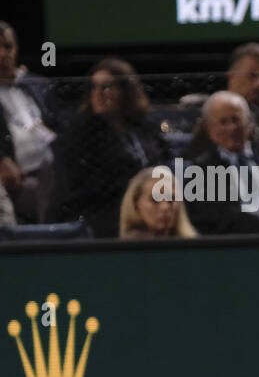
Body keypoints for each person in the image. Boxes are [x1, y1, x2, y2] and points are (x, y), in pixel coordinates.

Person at [53, 59, 168, 238]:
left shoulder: (143, 126)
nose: (99, 94)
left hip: (155, 202)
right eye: (94, 87)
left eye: (107, 87)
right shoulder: (80, 134)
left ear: (125, 92)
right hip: (106, 212)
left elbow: (166, 159)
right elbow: (86, 190)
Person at [189, 92, 259, 234]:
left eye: (236, 119)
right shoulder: (202, 168)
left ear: (249, 122)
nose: (232, 128)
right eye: (223, 122)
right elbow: (222, 217)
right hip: (235, 242)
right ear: (210, 130)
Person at [0, 21, 57, 224]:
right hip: (16, 176)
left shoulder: (37, 85)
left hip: (51, 168)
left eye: (8, 47)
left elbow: (57, 125)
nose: (3, 54)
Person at [118, 167, 199, 239]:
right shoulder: (127, 252)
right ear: (136, 205)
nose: (165, 207)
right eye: (155, 199)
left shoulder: (192, 249)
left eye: (171, 199)